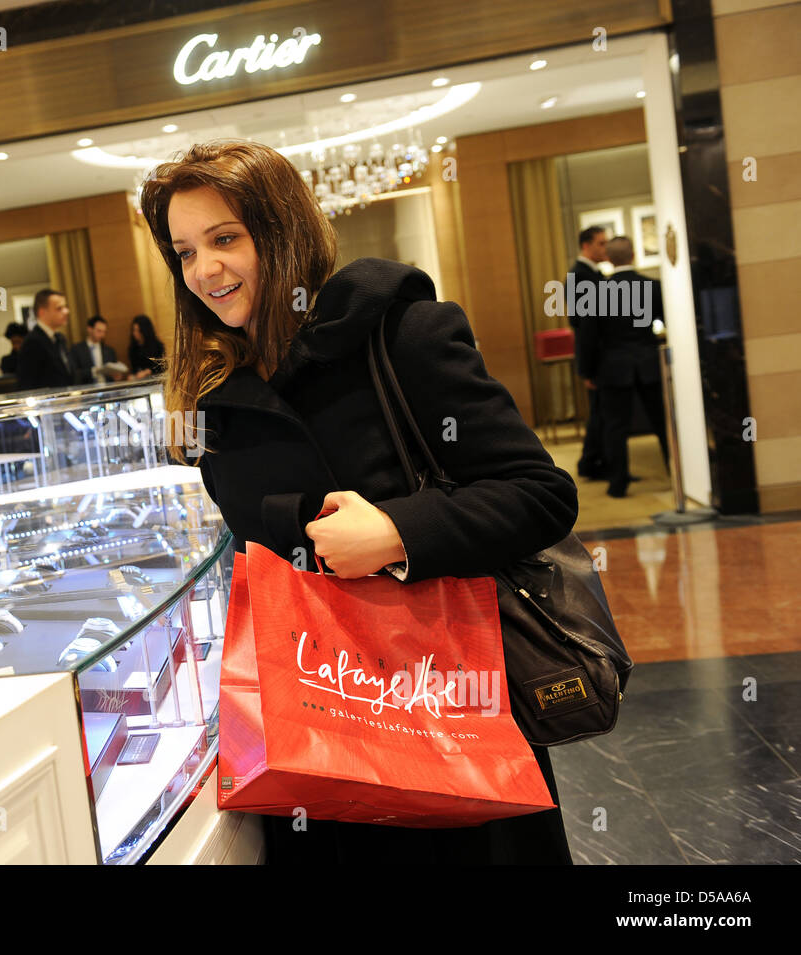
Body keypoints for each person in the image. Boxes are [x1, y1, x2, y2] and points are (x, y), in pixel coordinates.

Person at [139, 140, 578, 865]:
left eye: (225, 239)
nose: (204, 270)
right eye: (184, 252)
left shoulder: (398, 333)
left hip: (442, 717)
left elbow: (539, 492)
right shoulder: (217, 391)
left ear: (282, 233)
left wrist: (397, 531)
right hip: (312, 727)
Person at [575, 236, 670, 499]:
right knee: (662, 421)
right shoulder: (653, 287)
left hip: (613, 366)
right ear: (633, 256)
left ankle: (618, 483)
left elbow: (588, 337)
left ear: (609, 259)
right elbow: (668, 321)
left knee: (615, 427)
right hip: (649, 362)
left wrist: (587, 371)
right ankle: (676, 472)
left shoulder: (598, 292)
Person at [569, 227, 608, 480]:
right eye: (601, 244)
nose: (605, 248)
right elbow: (584, 326)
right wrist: (587, 367)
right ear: (586, 246)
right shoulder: (581, 276)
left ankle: (598, 461)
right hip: (597, 357)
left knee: (602, 413)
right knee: (599, 413)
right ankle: (589, 463)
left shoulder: (589, 274)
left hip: (600, 356)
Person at [16, 288, 74, 390]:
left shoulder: (60, 338)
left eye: (65, 307)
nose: (66, 311)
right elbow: (27, 384)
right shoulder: (32, 342)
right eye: (59, 308)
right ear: (42, 312)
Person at [69, 315, 121, 384]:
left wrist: (116, 375)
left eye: (104, 332)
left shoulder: (109, 351)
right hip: (86, 389)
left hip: (108, 389)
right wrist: (94, 371)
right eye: (99, 331)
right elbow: (74, 373)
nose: (102, 335)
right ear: (89, 329)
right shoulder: (76, 349)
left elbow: (114, 373)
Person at [128, 314, 165, 379]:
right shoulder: (133, 348)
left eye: (138, 331)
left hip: (155, 379)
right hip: (140, 381)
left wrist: (148, 371)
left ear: (145, 331)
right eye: (134, 330)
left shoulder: (158, 346)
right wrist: (132, 375)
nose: (135, 333)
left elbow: (162, 366)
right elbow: (134, 368)